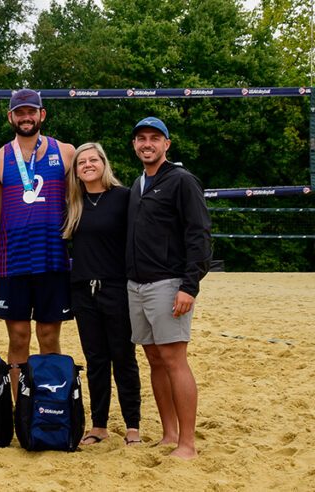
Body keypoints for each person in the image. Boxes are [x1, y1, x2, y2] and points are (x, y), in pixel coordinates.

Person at [126, 117, 211, 459]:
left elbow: (199, 235)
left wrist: (189, 286)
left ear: (167, 144)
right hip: (137, 286)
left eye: (154, 138)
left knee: (175, 360)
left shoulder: (181, 180)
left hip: (168, 283)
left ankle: (187, 444)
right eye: (141, 138)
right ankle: (169, 434)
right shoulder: (138, 184)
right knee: (154, 360)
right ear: (134, 145)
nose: (147, 144)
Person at [0, 89, 76, 395]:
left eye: (31, 111)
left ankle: (50, 404)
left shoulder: (66, 152)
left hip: (52, 258)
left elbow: (79, 203)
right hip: (14, 261)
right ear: (10, 117)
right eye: (20, 112)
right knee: (19, 337)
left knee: (49, 336)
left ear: (42, 114)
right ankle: (19, 408)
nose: (26, 117)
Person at [62, 143, 141, 446]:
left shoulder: (123, 198)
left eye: (93, 159)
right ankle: (99, 426)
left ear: (104, 163)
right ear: (77, 171)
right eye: (82, 162)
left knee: (123, 358)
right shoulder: (73, 201)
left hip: (117, 288)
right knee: (96, 360)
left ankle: (132, 426)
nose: (88, 165)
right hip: (83, 290)